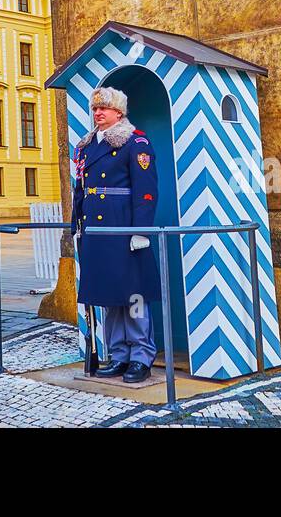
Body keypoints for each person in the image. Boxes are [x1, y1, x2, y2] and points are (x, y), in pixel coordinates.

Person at [72, 85, 160, 384]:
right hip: (98, 231)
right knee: (110, 296)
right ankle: (119, 355)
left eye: (104, 108)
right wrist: (76, 226)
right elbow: (81, 190)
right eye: (95, 108)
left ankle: (141, 356)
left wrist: (140, 231)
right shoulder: (88, 145)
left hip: (123, 227)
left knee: (133, 295)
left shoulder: (136, 142)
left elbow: (146, 189)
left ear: (118, 113)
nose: (98, 112)